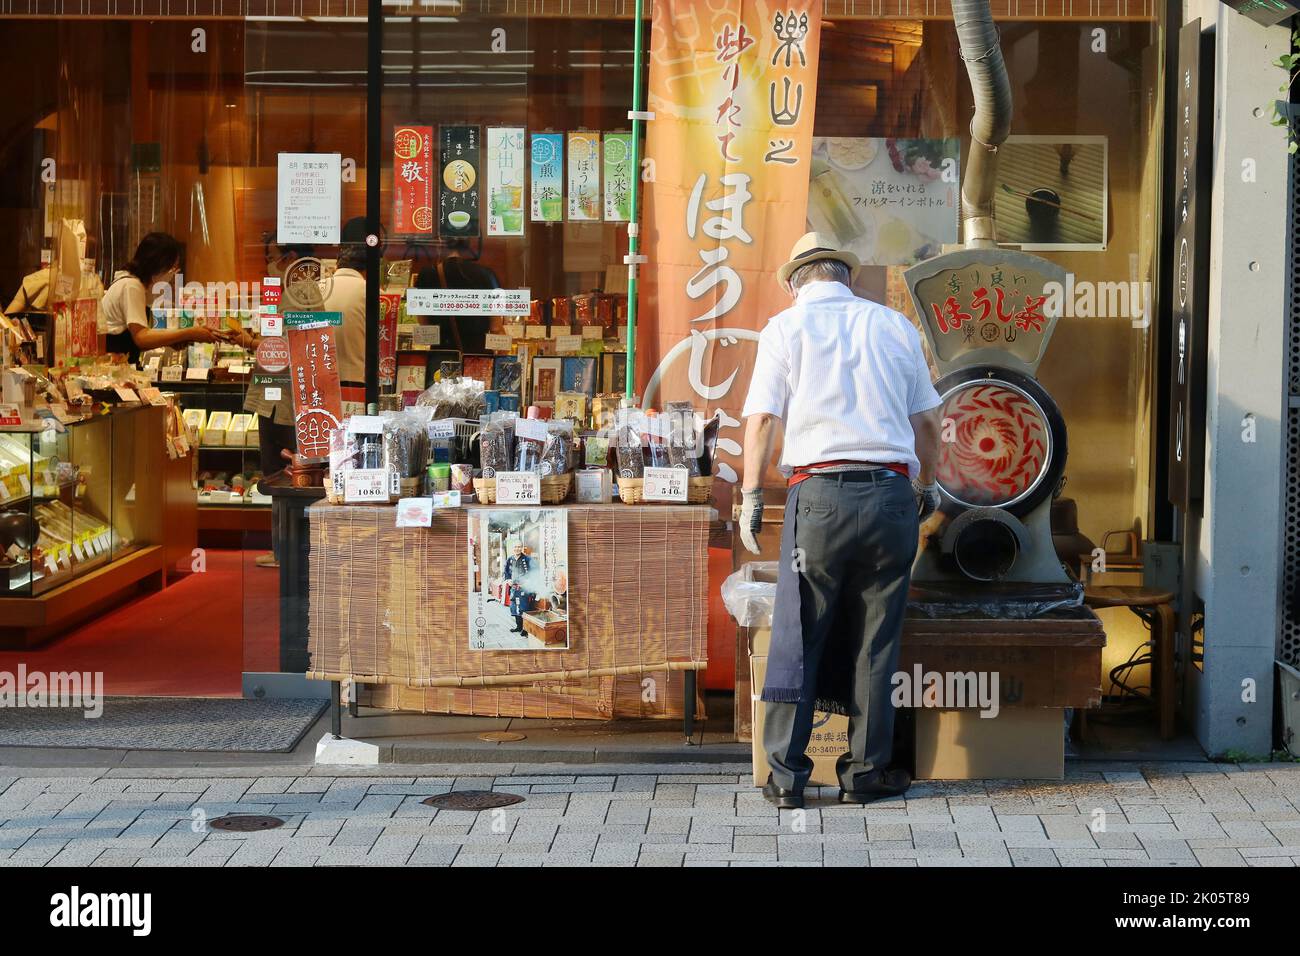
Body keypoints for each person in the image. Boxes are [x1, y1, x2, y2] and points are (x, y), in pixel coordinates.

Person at [737, 231, 943, 811]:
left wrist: (753, 495)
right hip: (890, 496)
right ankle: (866, 775)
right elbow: (929, 424)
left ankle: (785, 776)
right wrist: (924, 488)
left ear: (796, 283)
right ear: (845, 277)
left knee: (801, 633)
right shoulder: (894, 325)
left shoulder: (786, 328)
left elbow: (760, 422)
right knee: (877, 641)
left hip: (820, 498)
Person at [240, 233, 313, 569]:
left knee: (281, 475)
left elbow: (281, 350)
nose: (269, 263)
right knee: (284, 474)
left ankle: (285, 550)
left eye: (272, 256)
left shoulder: (297, 296)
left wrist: (249, 340)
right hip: (284, 397)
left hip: (281, 399)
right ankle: (285, 548)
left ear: (289, 257)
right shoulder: (300, 293)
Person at [101, 232, 223, 363]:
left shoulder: (135, 286)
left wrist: (172, 340)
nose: (173, 274)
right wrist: (190, 333)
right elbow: (141, 338)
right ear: (157, 263)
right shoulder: (131, 286)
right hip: (113, 369)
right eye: (172, 268)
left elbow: (138, 339)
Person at [329, 218, 369, 394]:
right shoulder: (370, 291)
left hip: (318, 377)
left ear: (337, 264)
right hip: (356, 380)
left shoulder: (316, 288)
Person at [503, 543, 532, 634]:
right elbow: (506, 572)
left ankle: (525, 629)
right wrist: (508, 580)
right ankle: (518, 627)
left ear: (522, 548)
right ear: (513, 548)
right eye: (515, 546)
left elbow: (533, 571)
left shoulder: (527, 559)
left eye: (519, 546)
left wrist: (528, 582)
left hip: (524, 588)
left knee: (524, 608)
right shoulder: (510, 559)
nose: (517, 548)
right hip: (514, 588)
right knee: (514, 607)